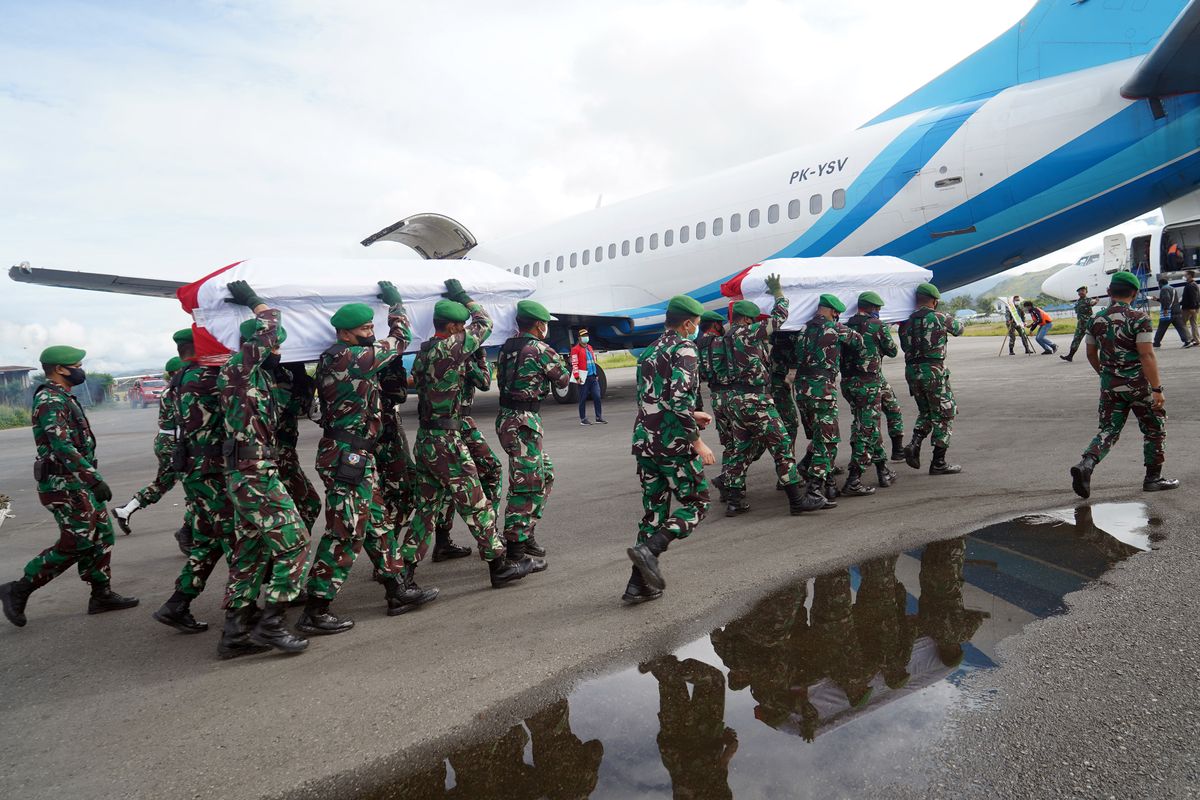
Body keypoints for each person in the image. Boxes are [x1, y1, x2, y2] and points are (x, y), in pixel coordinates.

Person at [300, 282, 436, 636]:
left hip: (357, 454)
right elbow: (400, 340)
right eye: (364, 330)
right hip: (347, 455)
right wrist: (396, 306)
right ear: (345, 333)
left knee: (378, 523)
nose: (369, 334)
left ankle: (397, 591)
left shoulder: (340, 357)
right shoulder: (349, 358)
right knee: (345, 531)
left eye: (371, 329)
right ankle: (316, 607)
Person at [404, 282, 533, 588]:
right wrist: (465, 299)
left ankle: (403, 576)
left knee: (426, 510)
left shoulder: (423, 354)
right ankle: (499, 566)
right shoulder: (449, 349)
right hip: (446, 443)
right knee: (476, 503)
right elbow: (485, 323)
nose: (464, 330)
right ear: (450, 327)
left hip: (426, 440)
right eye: (459, 326)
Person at [0, 346, 138, 627]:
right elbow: (61, 445)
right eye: (77, 364)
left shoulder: (63, 396)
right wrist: (93, 478)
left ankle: (101, 594)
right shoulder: (50, 399)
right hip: (64, 484)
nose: (81, 369)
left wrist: (88, 479)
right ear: (61, 369)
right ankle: (19, 588)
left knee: (101, 536)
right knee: (76, 542)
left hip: (78, 481)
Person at [212, 286, 310, 657]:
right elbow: (269, 326)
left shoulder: (261, 380)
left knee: (250, 550)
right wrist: (257, 302)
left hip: (252, 468)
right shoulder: (237, 370)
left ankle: (235, 632)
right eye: (274, 346)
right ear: (257, 346)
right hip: (252, 471)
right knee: (295, 540)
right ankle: (272, 622)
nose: (279, 351)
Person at [624, 294, 713, 603]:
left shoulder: (649, 350)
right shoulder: (684, 348)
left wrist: (692, 414)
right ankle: (651, 549)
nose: (697, 329)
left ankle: (638, 585)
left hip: (646, 442)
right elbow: (677, 398)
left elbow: (653, 399)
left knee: (653, 512)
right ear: (687, 323)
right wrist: (696, 440)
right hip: (673, 443)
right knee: (697, 504)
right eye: (697, 324)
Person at [150, 328, 237, 636]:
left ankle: (177, 604)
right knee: (237, 538)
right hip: (211, 471)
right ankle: (241, 619)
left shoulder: (179, 379)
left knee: (208, 542)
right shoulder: (204, 377)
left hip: (195, 470)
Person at [1070, 270, 1179, 497]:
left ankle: (1086, 464)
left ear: (1109, 292)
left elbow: (1091, 353)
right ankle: (1153, 478)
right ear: (1135, 292)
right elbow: (1146, 356)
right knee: (1154, 429)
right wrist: (1157, 389)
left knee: (1109, 429)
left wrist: (1106, 375)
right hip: (1139, 386)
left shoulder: (1095, 319)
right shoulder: (1139, 319)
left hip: (1110, 386)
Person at [713, 277, 806, 517]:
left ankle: (733, 499)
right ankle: (797, 500)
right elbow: (779, 318)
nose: (757, 324)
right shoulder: (747, 332)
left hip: (734, 400)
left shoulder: (723, 339)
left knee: (742, 449)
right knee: (782, 444)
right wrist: (778, 294)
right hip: (756, 400)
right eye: (754, 319)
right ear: (746, 320)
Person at [495, 299, 570, 563]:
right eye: (546, 324)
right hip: (523, 421)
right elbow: (563, 378)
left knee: (543, 474)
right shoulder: (540, 349)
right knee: (526, 484)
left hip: (509, 418)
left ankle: (526, 533)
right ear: (539, 325)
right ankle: (516, 550)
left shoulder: (506, 348)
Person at [427, 346, 500, 562]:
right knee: (492, 470)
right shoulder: (462, 357)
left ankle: (442, 541)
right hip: (461, 423)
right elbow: (485, 382)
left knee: (448, 485)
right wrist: (482, 356)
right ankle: (490, 534)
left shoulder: (435, 353)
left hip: (440, 425)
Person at [794, 293, 861, 511]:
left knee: (817, 435)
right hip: (822, 390)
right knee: (829, 441)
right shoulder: (835, 328)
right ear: (834, 312)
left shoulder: (803, 329)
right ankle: (814, 489)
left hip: (802, 390)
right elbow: (858, 341)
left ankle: (816, 474)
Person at [112, 356, 188, 537]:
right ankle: (189, 530)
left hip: (167, 441)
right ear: (178, 372)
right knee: (193, 484)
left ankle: (126, 510)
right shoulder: (178, 391)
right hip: (174, 442)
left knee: (164, 482)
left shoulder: (170, 390)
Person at [899, 282, 965, 475]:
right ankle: (939, 462)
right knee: (946, 413)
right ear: (935, 301)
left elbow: (904, 346)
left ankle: (915, 443)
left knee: (926, 411)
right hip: (933, 371)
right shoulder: (939, 317)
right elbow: (959, 329)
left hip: (912, 372)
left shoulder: (905, 322)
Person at [841, 291, 900, 493]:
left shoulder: (844, 326)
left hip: (849, 383)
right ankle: (854, 479)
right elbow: (892, 351)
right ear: (873, 309)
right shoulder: (877, 326)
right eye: (878, 309)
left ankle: (883, 470)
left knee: (867, 425)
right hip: (868, 384)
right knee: (866, 429)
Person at [570, 328, 605, 424]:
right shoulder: (575, 349)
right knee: (583, 398)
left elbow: (593, 361)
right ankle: (583, 419)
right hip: (583, 377)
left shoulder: (589, 347)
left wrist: (596, 373)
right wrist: (577, 377)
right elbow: (574, 363)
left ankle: (598, 417)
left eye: (586, 336)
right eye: (583, 336)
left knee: (597, 396)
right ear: (579, 338)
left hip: (593, 376)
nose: (585, 338)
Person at [1151, 275, 1190, 348]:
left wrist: (1165, 309)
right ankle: (1186, 341)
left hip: (1169, 312)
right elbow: (1171, 299)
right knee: (1180, 328)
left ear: (1161, 284)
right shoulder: (1172, 288)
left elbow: (1166, 299)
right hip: (1176, 311)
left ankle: (1156, 343)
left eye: (1159, 285)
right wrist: (1157, 299)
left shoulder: (1164, 289)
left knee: (1161, 328)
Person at [1060, 286, 1098, 362]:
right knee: (1076, 339)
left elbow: (1092, 302)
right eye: (1079, 291)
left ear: (1086, 292)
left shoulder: (1088, 300)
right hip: (1081, 324)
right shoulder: (1077, 301)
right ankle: (1070, 356)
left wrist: (1096, 301)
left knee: (1097, 339)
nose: (1080, 292)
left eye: (1083, 291)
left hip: (1088, 324)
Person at [1182, 270, 1200, 346]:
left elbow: (1193, 297)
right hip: (1194, 307)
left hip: (1189, 308)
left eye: (1185, 275)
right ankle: (1196, 339)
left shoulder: (1190, 285)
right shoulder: (1194, 284)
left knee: (1181, 323)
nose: (1184, 276)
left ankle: (1189, 338)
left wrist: (1192, 308)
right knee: (1193, 324)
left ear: (1189, 275)